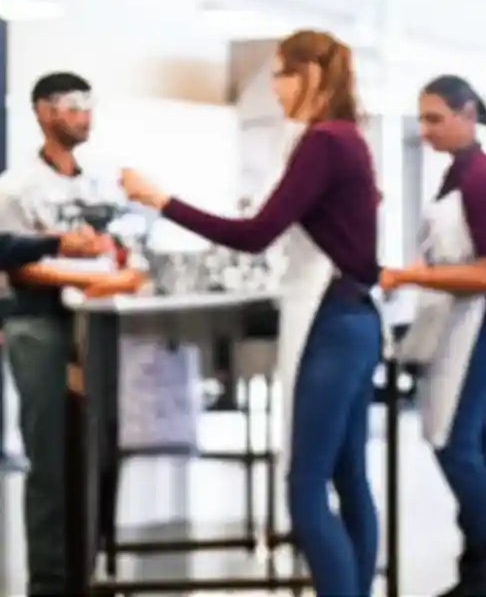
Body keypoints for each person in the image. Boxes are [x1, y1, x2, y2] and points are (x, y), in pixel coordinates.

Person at [119, 30, 383, 597]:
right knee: (348, 478)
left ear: (310, 75)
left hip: (332, 327)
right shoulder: (349, 139)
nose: (275, 88)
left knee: (306, 488)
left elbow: (257, 233)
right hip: (358, 321)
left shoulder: (324, 142)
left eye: (282, 74)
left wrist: (162, 200)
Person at [0, 71, 146, 595]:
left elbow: (119, 248)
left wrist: (121, 267)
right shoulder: (16, 186)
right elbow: (11, 261)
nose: (82, 115)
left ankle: (88, 567)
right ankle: (50, 582)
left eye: (89, 104)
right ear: (42, 111)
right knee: (50, 459)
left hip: (98, 319)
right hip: (39, 323)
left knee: (97, 452)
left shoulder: (98, 183)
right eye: (70, 105)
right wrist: (66, 254)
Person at [380, 75, 486, 597]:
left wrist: (411, 276)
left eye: (435, 118)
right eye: (421, 119)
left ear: (468, 115)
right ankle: (479, 567)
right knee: (462, 444)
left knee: (455, 444)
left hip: (482, 322)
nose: (425, 130)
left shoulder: (485, 179)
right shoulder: (458, 176)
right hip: (458, 323)